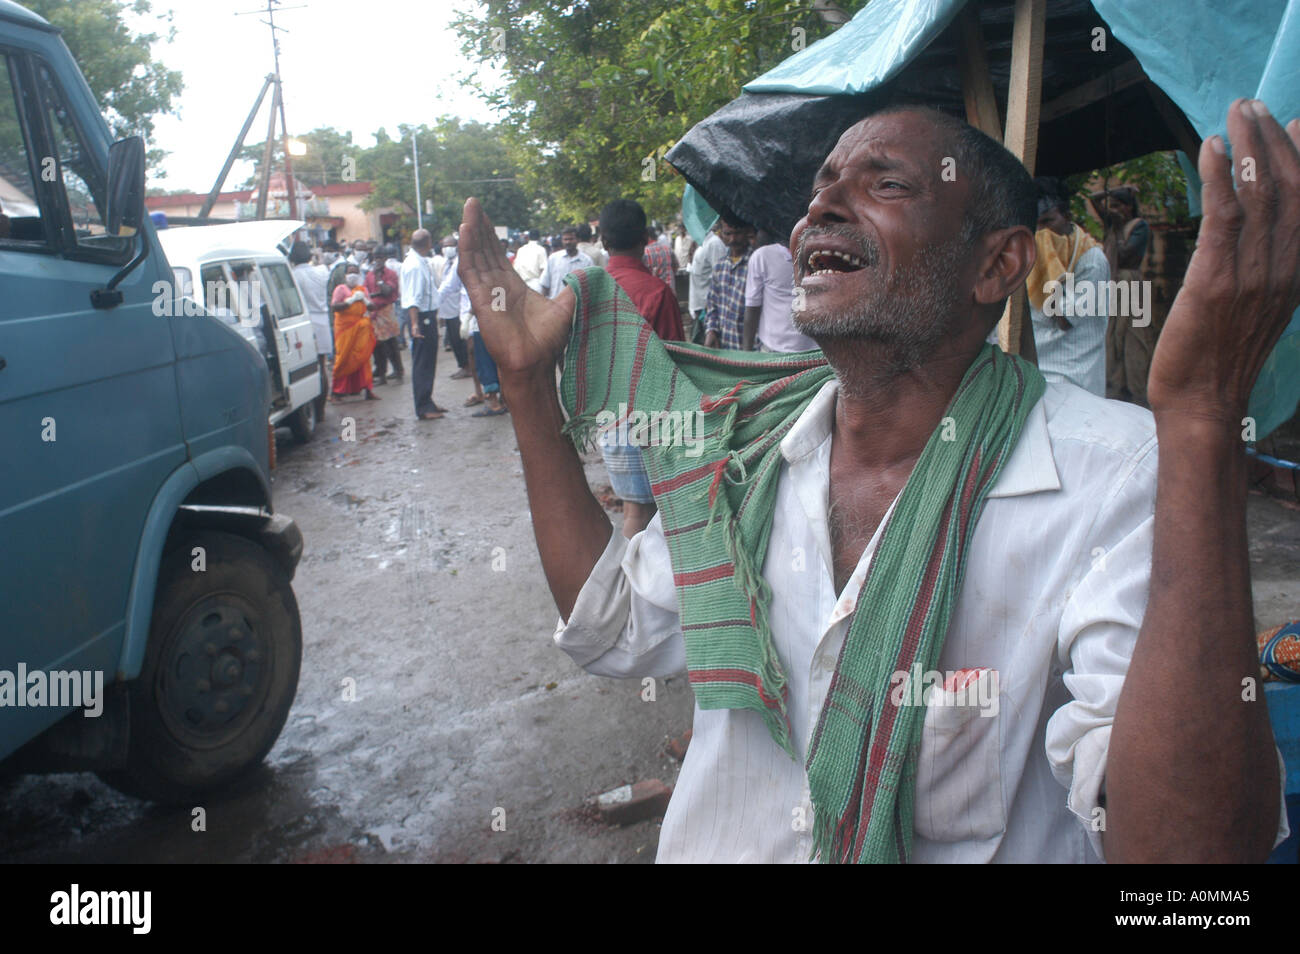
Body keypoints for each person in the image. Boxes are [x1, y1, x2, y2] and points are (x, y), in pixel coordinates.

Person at [455, 99, 1298, 864]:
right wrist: (529, 388)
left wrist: (1201, 426)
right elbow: (611, 629)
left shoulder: (1117, 477)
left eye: (884, 182)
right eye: (821, 188)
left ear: (997, 266)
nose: (821, 205)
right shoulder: (746, 453)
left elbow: (1191, 878)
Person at [597, 199, 686, 537]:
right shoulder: (657, 293)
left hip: (609, 415)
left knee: (634, 507)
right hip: (650, 418)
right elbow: (675, 361)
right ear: (646, 237)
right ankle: (636, 586)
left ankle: (633, 582)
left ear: (604, 241)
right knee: (646, 510)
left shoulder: (589, 291)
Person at [1026, 178, 1109, 395]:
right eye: (1036, 225)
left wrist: (1050, 268)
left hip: (1075, 374)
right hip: (1037, 370)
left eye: (1048, 221)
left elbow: (1064, 319)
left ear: (1067, 218)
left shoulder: (1090, 259)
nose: (1042, 232)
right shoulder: (1028, 256)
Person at [1091, 186, 1154, 405]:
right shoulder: (1112, 222)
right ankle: (1114, 387)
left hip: (1131, 283)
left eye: (1119, 206)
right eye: (1113, 206)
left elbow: (1128, 254)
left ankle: (1136, 390)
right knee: (1112, 333)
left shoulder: (1139, 227)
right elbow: (1093, 198)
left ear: (1128, 207)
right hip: (1112, 282)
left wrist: (1117, 230)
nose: (1114, 210)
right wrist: (1115, 191)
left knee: (1133, 334)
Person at [743, 228, 818, 353]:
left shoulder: (821, 255)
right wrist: (746, 355)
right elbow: (752, 307)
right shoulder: (762, 257)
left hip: (814, 352)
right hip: (773, 351)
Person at [400, 228, 444, 420]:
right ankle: (423, 407)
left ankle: (428, 400)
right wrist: (415, 324)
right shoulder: (414, 266)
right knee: (422, 363)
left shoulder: (420, 261)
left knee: (428, 361)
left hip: (426, 316)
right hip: (421, 318)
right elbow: (413, 298)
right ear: (428, 243)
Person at [702, 214, 755, 349]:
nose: (732, 239)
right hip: (725, 348)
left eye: (737, 233)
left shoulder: (756, 264)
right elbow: (712, 304)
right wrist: (711, 330)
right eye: (728, 234)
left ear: (747, 232)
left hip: (752, 350)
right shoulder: (720, 267)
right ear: (721, 234)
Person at [329, 267, 378, 402]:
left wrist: (365, 301)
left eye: (355, 273)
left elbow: (372, 307)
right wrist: (350, 301)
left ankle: (368, 390)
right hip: (345, 328)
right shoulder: (340, 289)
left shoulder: (362, 290)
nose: (353, 275)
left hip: (360, 327)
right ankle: (336, 392)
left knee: (363, 357)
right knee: (343, 358)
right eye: (350, 272)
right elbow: (334, 307)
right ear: (345, 275)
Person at [289, 241, 333, 388]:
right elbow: (322, 263)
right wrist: (317, 255)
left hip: (305, 323)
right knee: (322, 367)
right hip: (322, 321)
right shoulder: (322, 271)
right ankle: (321, 409)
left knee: (308, 369)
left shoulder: (293, 275)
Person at [365, 246, 404, 384]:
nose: (378, 261)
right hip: (374, 312)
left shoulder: (391, 273)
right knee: (376, 345)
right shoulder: (368, 275)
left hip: (386, 311)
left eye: (380, 257)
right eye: (376, 258)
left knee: (390, 343)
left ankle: (398, 371)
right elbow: (367, 293)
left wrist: (379, 278)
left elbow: (387, 291)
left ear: (385, 258)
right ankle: (381, 374)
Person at [437, 236, 470, 379]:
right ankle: (463, 366)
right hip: (447, 308)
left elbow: (450, 286)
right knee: (453, 339)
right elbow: (444, 286)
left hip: (460, 308)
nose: (447, 248)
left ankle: (467, 367)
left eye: (450, 245)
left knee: (460, 340)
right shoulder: (444, 263)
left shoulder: (460, 262)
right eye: (445, 246)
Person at [688, 224, 727, 338]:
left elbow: (720, 279)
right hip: (699, 307)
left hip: (708, 310)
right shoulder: (702, 245)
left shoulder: (714, 244)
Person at [540, 227, 593, 299]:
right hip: (555, 304)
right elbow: (545, 284)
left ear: (578, 240)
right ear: (562, 241)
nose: (568, 242)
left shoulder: (587, 261)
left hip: (577, 307)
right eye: (565, 239)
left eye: (571, 239)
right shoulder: (553, 258)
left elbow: (591, 287)